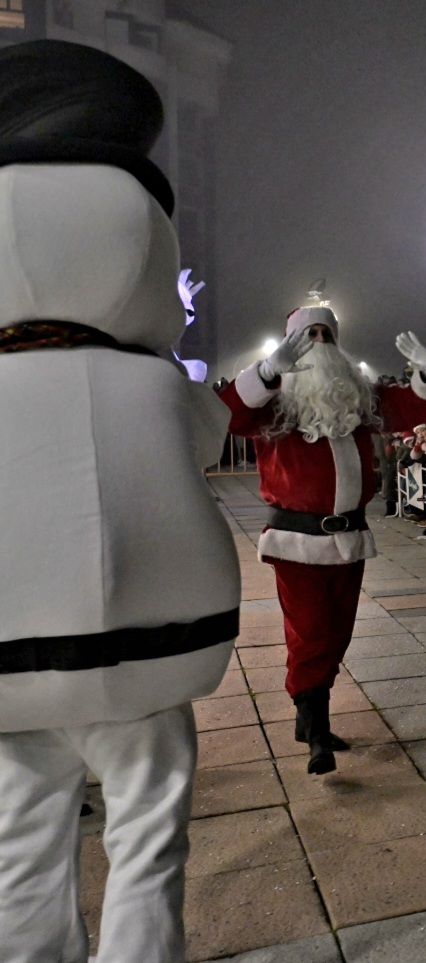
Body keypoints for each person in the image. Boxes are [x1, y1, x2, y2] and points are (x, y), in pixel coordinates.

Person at [0, 40, 241, 962]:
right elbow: (215, 432)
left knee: (22, 847)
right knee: (147, 840)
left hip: (11, 662)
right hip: (150, 653)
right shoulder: (157, 385)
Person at [221, 308, 426, 774]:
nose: (319, 342)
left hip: (349, 539)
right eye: (309, 334)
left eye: (325, 334)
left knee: (337, 632)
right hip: (297, 543)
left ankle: (309, 719)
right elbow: (229, 414)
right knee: (311, 632)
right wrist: (267, 371)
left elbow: (412, 408)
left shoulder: (355, 398)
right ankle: (317, 732)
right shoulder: (275, 405)